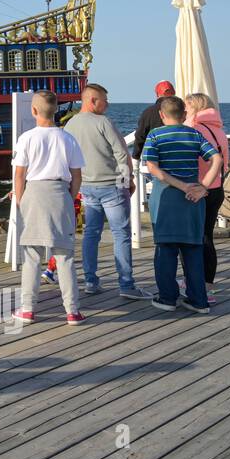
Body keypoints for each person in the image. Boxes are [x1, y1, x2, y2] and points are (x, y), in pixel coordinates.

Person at [66, 83, 149, 299]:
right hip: (112, 185)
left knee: (91, 234)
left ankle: (91, 281)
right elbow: (122, 153)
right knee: (120, 234)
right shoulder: (103, 122)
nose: (108, 103)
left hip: (86, 186)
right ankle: (126, 284)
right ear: (92, 100)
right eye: (105, 99)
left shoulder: (70, 125)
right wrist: (128, 179)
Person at [10, 90, 86, 326]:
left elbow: (19, 175)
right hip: (60, 192)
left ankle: (28, 308)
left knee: (31, 255)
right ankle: (72, 310)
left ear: (34, 111)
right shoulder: (68, 138)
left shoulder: (27, 139)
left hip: (34, 191)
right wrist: (69, 196)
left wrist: (22, 201)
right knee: (65, 255)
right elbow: (77, 176)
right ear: (55, 111)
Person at [141, 96, 221, 314]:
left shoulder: (155, 135)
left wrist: (180, 185)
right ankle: (199, 300)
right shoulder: (195, 134)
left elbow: (153, 168)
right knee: (193, 249)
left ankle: (168, 298)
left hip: (167, 198)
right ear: (184, 115)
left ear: (161, 115)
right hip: (194, 200)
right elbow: (217, 159)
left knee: (166, 250)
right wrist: (202, 186)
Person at [184, 93, 229, 300]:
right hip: (217, 188)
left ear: (194, 107)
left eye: (187, 105)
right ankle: (208, 283)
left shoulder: (195, 129)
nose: (184, 109)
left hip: (199, 187)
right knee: (207, 237)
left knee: (193, 238)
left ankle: (193, 282)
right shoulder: (218, 128)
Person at [132, 80, 175, 161]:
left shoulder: (148, 112)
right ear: (174, 93)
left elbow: (140, 136)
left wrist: (136, 156)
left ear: (157, 94)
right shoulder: (182, 110)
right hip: (177, 157)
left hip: (153, 158)